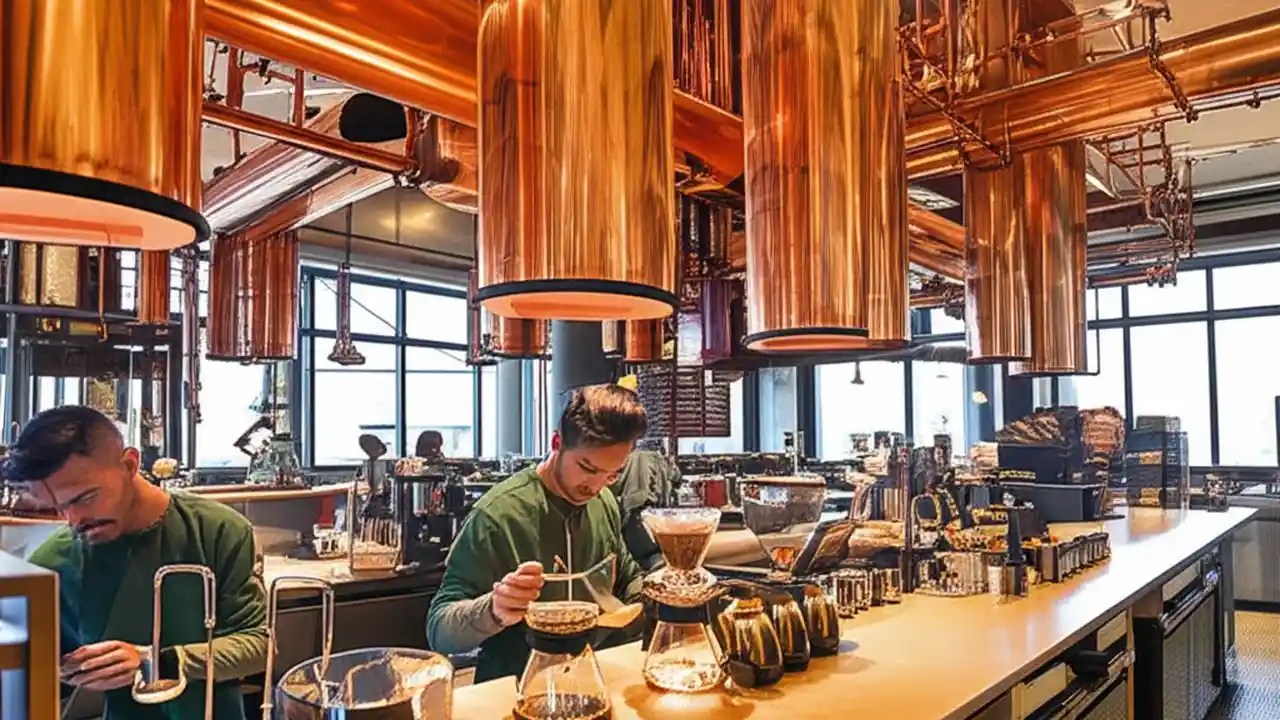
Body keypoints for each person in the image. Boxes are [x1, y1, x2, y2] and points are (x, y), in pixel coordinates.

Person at [9, 406, 267, 719]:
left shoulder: (218, 531)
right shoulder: (53, 563)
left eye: (84, 498)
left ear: (130, 464)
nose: (73, 521)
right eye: (57, 508)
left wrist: (156, 661)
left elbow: (258, 646)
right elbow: (34, 675)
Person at [426, 384, 647, 682]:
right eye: (586, 467)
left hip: (592, 682)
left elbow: (627, 578)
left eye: (613, 473)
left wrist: (657, 594)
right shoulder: (498, 515)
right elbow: (439, 629)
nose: (595, 486)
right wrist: (492, 609)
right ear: (557, 442)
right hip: (516, 690)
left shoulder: (604, 501)